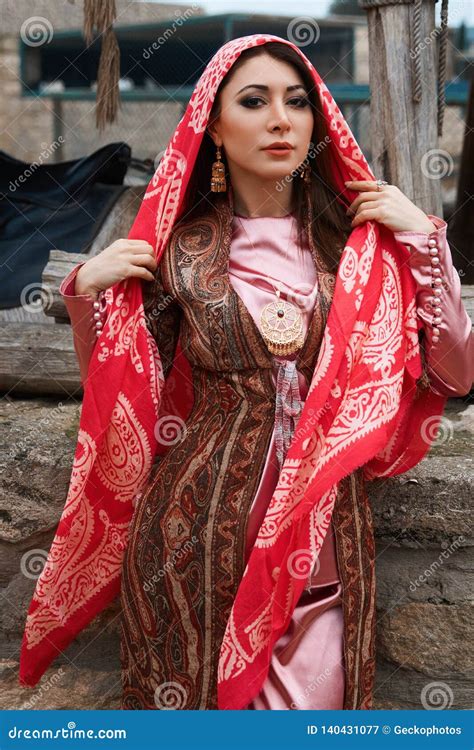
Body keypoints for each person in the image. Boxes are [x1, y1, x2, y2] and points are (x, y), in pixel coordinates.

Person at [19, 35, 473, 711]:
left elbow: (455, 375)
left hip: (322, 549)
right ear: (215, 126)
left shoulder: (358, 245)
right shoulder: (177, 253)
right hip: (190, 551)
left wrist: (426, 243)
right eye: (254, 102)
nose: (281, 120)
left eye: (298, 102)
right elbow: (123, 399)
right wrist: (87, 296)